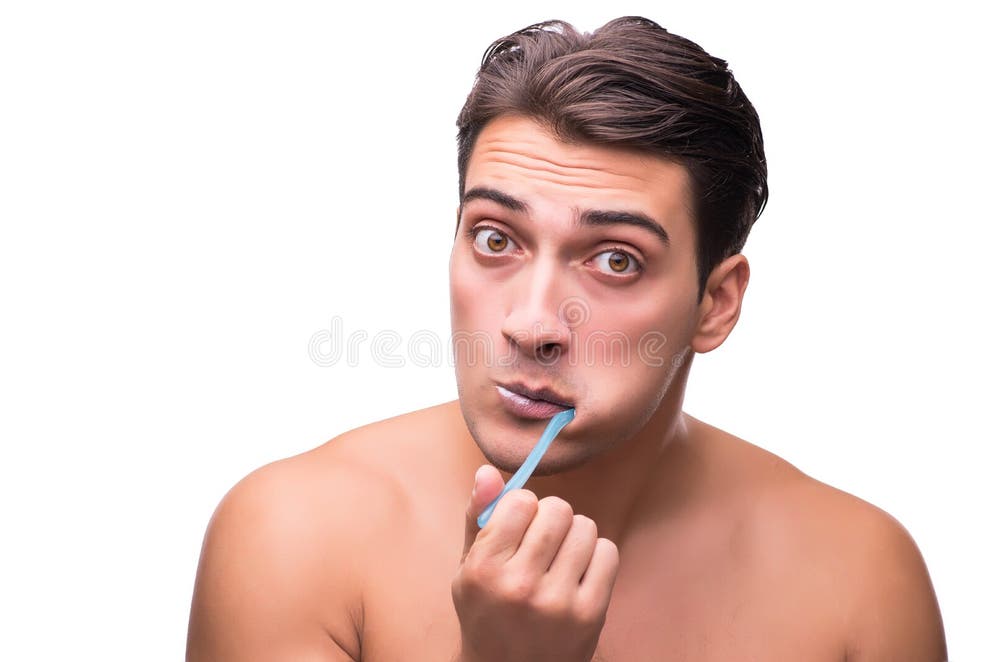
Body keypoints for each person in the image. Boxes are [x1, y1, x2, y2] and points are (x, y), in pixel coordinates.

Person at [186, 16, 946, 661]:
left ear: (715, 304)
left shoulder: (860, 584)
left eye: (616, 259)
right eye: (495, 238)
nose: (532, 324)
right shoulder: (290, 540)